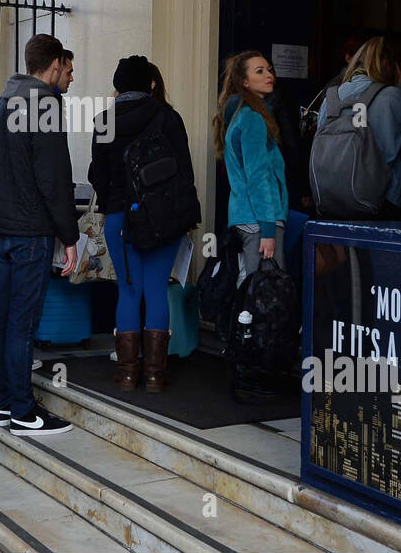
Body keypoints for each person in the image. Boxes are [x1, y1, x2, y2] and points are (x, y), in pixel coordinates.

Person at [0, 34, 79, 436]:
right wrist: (70, 236)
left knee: (0, 318)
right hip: (30, 233)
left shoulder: (3, 103)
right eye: (69, 69)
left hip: (0, 229)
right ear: (54, 64)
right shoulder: (44, 104)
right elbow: (53, 178)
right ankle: (24, 412)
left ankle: (3, 405)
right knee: (22, 323)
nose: (71, 78)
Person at [89, 56, 195, 393]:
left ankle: (126, 375)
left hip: (120, 217)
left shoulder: (104, 121)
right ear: (151, 84)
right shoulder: (168, 117)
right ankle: (154, 376)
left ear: (118, 87)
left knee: (129, 291)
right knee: (157, 291)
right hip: (162, 218)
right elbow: (185, 173)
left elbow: (98, 177)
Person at [314, 37, 401, 218]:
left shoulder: (331, 98)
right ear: (386, 64)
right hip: (381, 198)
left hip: (333, 195)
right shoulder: (391, 96)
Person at [213, 51, 289, 280]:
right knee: (264, 295)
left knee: (250, 289)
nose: (269, 75)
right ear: (244, 82)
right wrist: (267, 229)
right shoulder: (253, 119)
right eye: (260, 71)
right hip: (259, 220)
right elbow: (258, 178)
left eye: (269, 69)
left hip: (244, 216)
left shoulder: (239, 116)